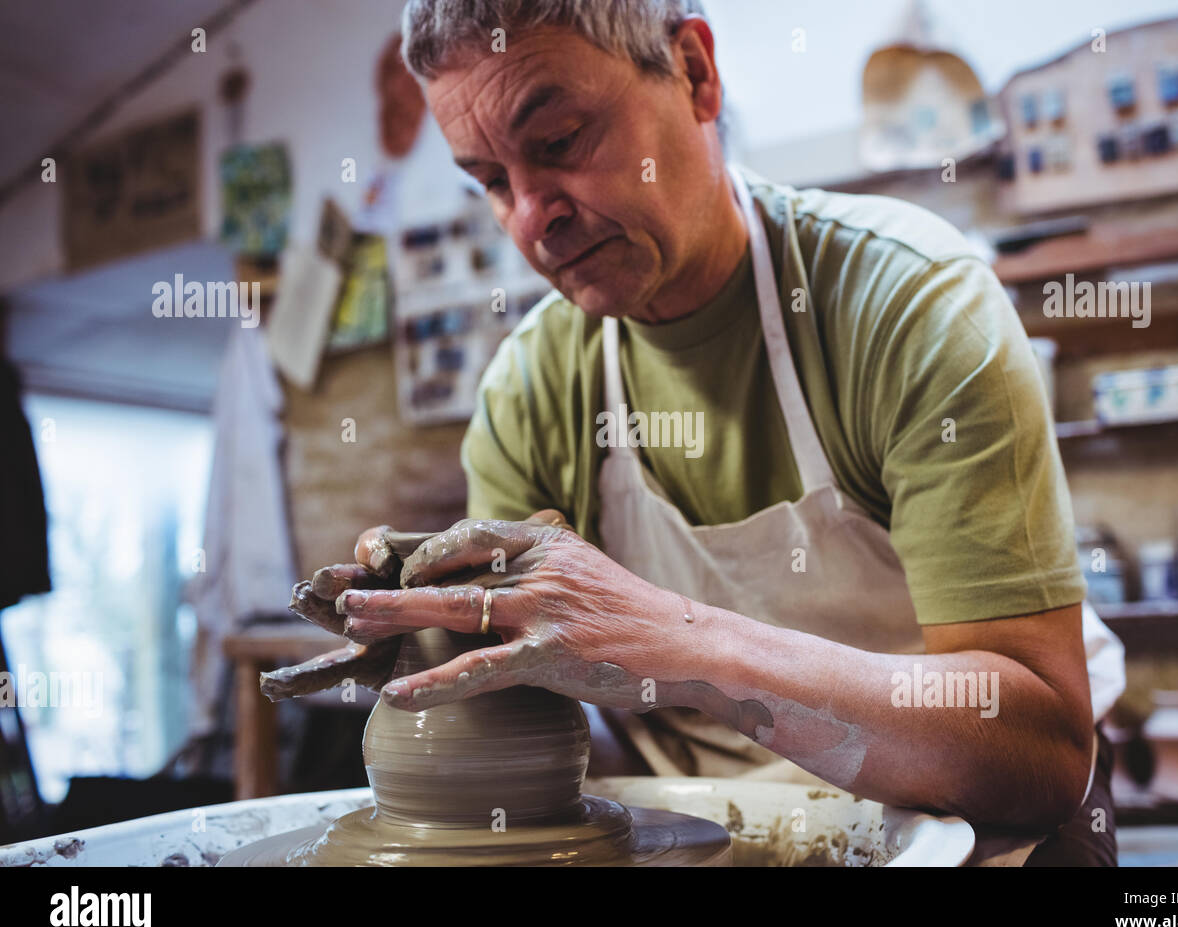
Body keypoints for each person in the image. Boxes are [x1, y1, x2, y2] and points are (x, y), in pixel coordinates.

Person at [271, 0, 1126, 865]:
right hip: (702, 816)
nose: (530, 217)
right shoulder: (528, 389)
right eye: (491, 180)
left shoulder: (910, 305)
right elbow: (547, 736)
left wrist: (682, 645)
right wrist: (449, 652)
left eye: (561, 141)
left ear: (694, 73)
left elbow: (1039, 749)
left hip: (975, 815)